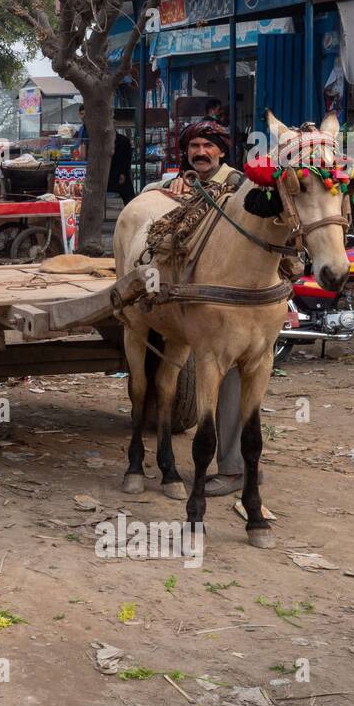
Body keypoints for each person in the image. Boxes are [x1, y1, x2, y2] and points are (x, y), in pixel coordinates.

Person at [144, 119, 257, 496]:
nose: (201, 152)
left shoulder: (242, 185)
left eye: (209, 146)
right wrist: (167, 186)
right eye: (194, 147)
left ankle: (233, 468)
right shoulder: (178, 181)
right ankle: (234, 467)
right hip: (188, 297)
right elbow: (143, 199)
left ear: (222, 151)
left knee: (237, 379)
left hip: (237, 301)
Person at [110, 131, 135, 205]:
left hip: (118, 171)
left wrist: (123, 173)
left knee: (128, 196)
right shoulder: (123, 140)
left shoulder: (123, 141)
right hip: (111, 172)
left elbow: (127, 158)